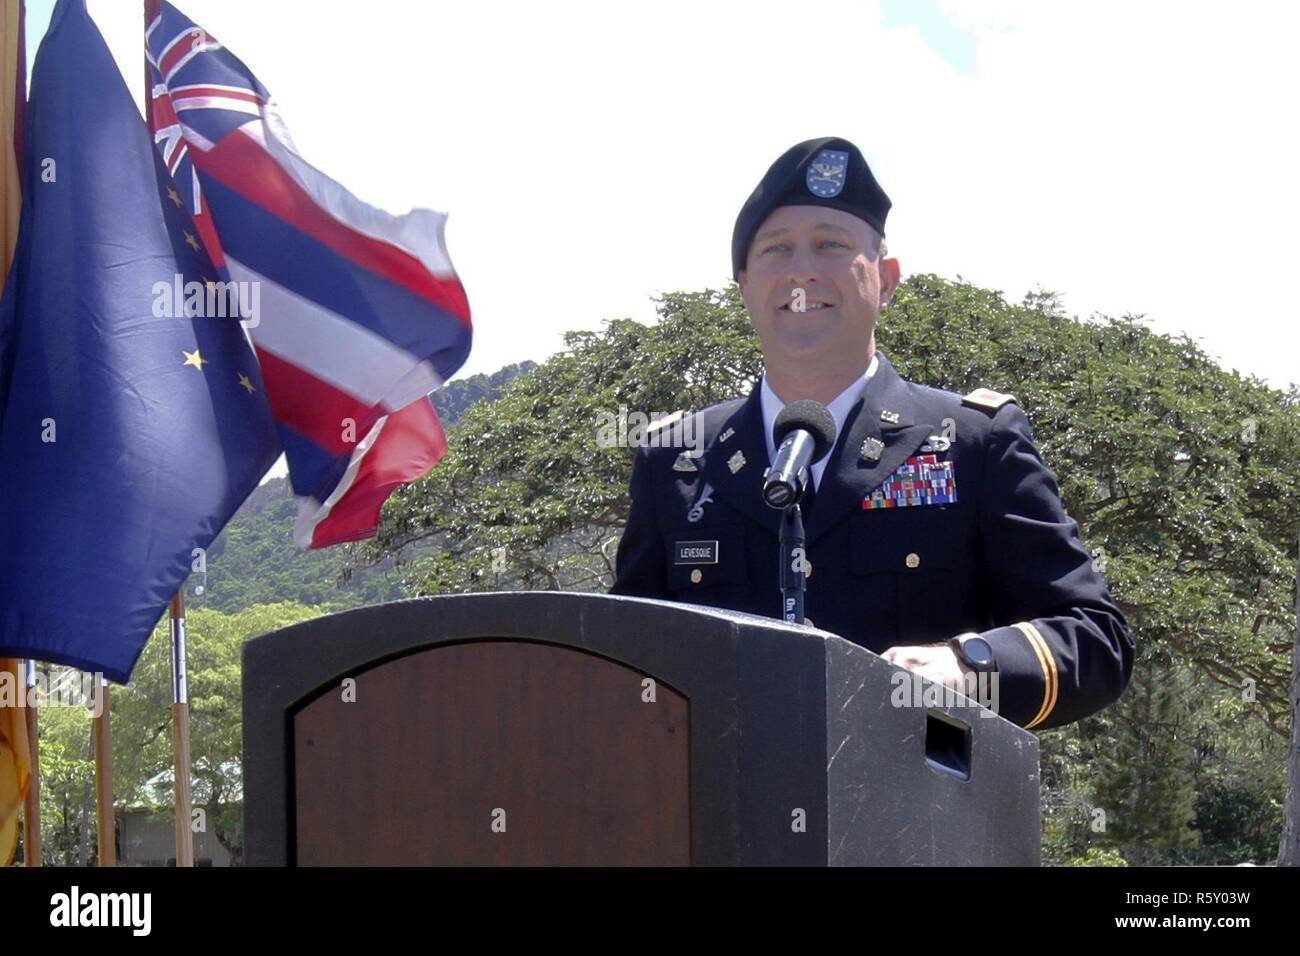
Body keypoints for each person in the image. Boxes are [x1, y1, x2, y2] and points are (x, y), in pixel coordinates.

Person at [610, 136, 1133, 730]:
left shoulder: (972, 442)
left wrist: (968, 667)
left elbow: (1095, 638)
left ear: (886, 280)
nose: (802, 270)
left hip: (913, 813)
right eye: (777, 250)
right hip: (719, 813)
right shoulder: (675, 456)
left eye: (831, 245)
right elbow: (623, 661)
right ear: (745, 285)